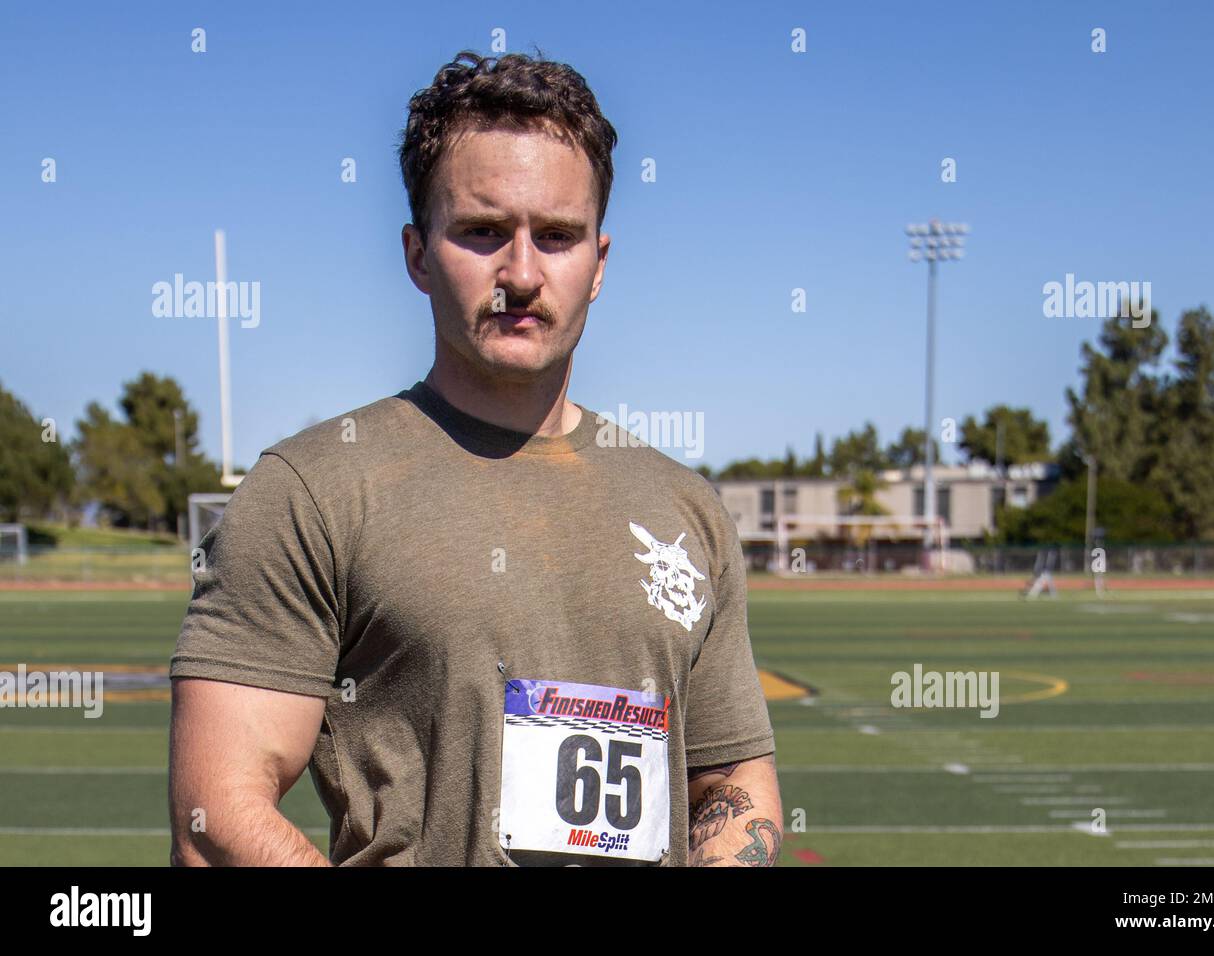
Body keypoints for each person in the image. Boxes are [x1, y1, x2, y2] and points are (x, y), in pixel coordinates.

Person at [168, 49, 781, 867]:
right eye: (484, 232)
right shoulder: (313, 491)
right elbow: (218, 814)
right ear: (418, 253)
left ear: (598, 265)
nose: (521, 273)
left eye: (556, 237)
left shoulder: (687, 510)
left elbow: (732, 781)